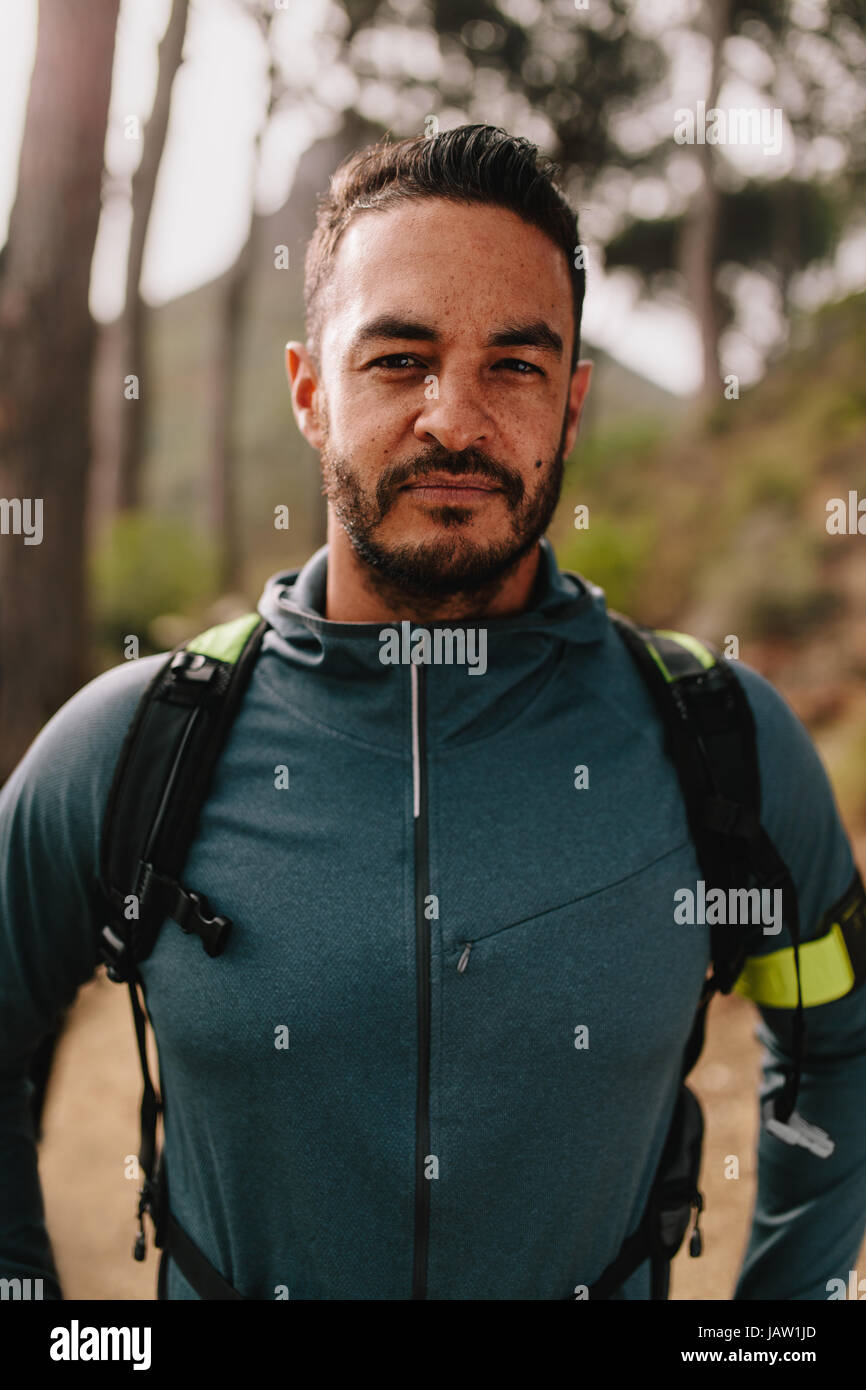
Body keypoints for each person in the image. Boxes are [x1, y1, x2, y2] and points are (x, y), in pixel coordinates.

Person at [1, 124, 864, 1301]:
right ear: (309, 391)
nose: (453, 420)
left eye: (513, 365)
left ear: (570, 406)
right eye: (397, 359)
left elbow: (837, 1041)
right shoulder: (133, 743)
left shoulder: (721, 741)